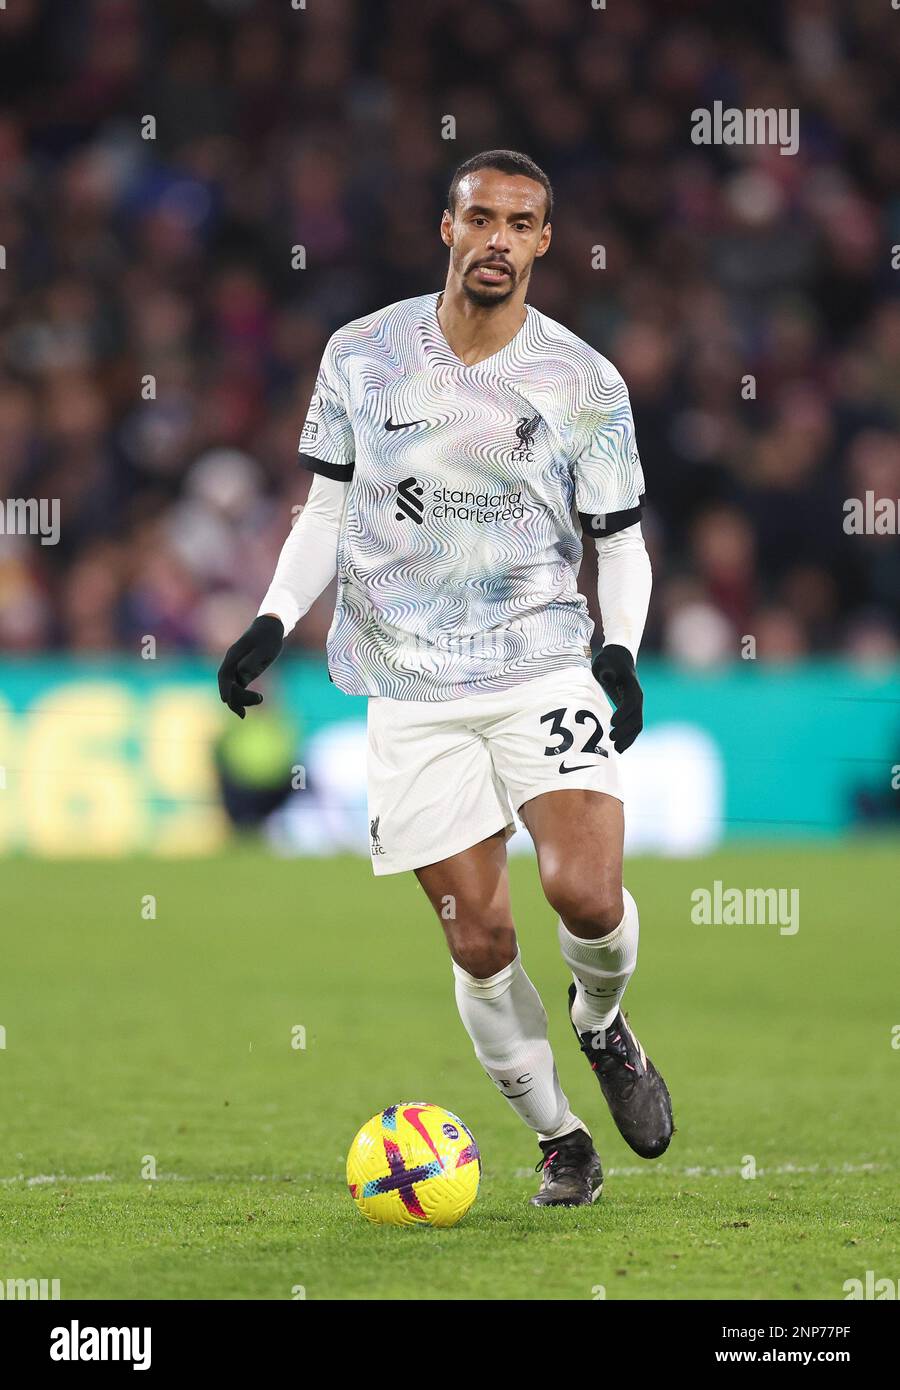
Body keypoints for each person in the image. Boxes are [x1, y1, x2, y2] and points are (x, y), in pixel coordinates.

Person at [218, 149, 673, 1206]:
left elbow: (623, 541)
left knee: (584, 892)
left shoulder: (584, 380)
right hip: (408, 688)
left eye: (522, 223)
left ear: (545, 241)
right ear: (448, 226)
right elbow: (326, 510)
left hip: (541, 659)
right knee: (482, 939)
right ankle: (562, 1138)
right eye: (483, 218)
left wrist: (621, 653)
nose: (499, 239)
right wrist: (272, 620)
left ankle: (603, 1024)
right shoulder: (364, 354)